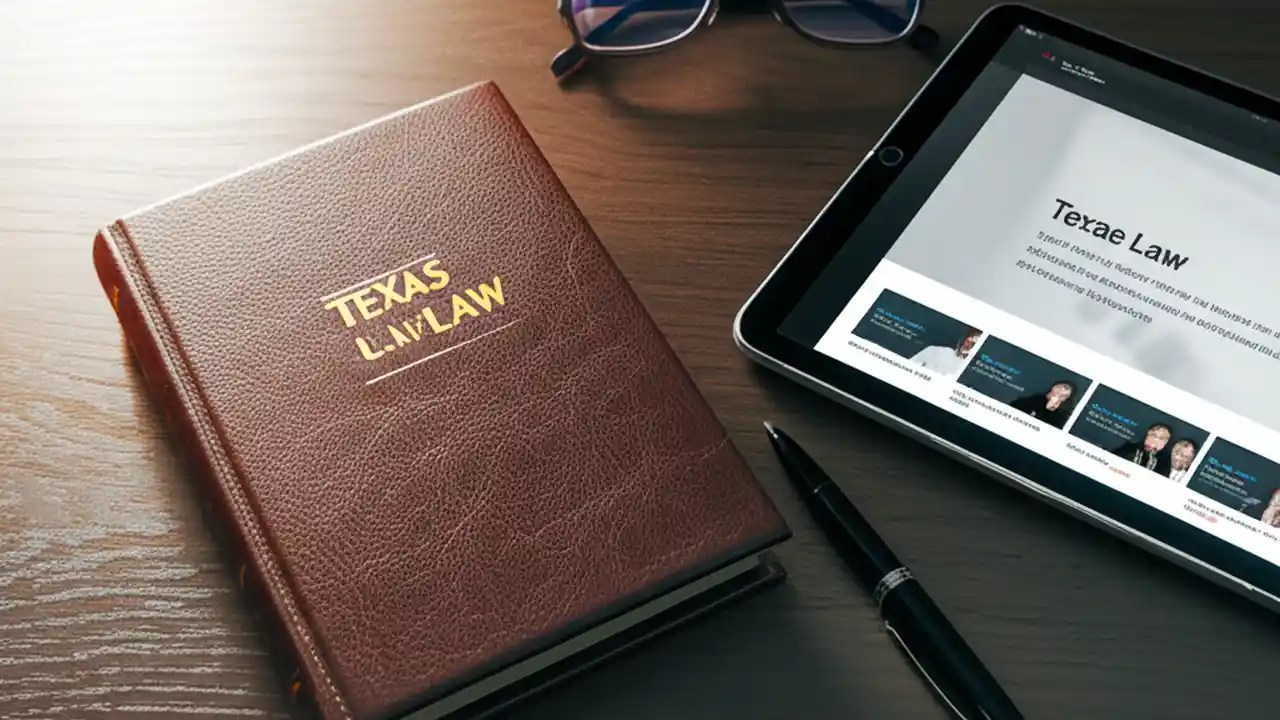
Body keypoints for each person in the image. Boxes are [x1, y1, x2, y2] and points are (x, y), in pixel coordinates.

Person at [910, 326, 981, 377]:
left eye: (973, 344)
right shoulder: (934, 350)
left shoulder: (970, 373)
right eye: (968, 340)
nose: (968, 344)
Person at [1009, 381, 1076, 429]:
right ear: (1054, 387)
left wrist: (1049, 411)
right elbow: (1014, 406)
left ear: (1066, 398)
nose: (1061, 390)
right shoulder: (1034, 399)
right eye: (1060, 387)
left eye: (1065, 389)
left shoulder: (1061, 416)